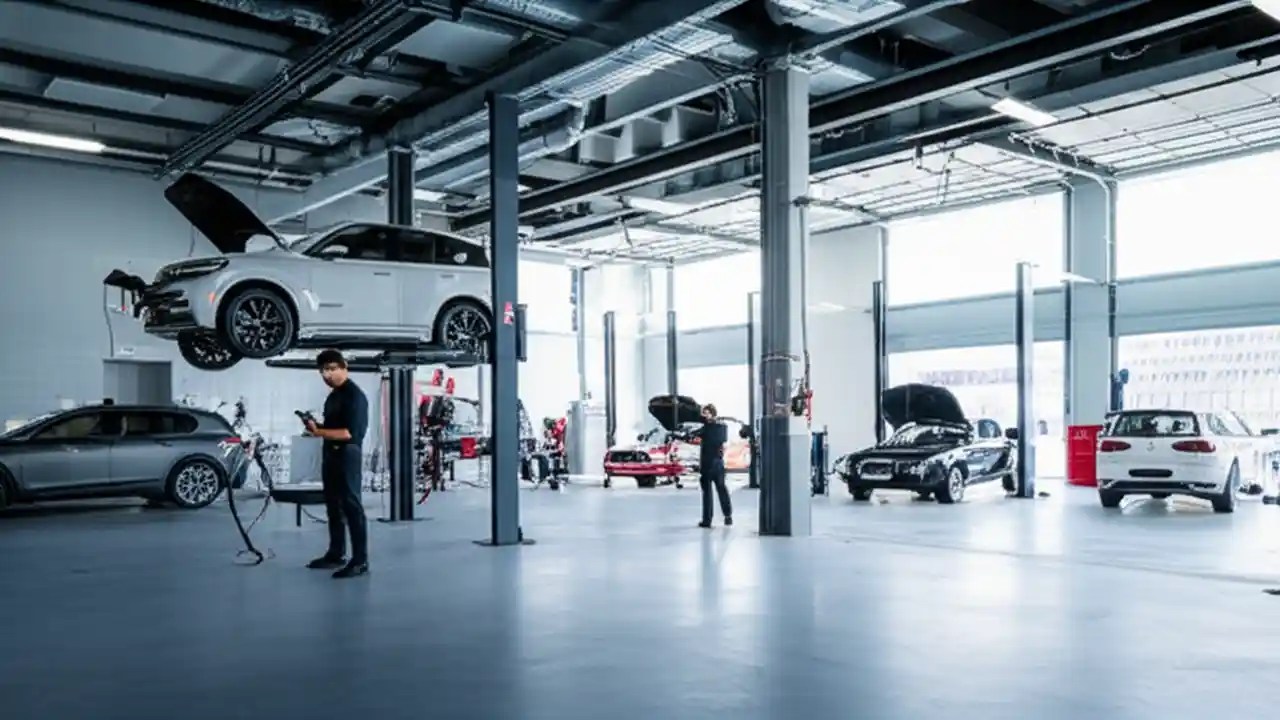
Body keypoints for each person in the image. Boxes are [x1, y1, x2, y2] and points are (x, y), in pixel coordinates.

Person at [303, 350, 370, 579]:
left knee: (352, 507)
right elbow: (333, 427)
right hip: (331, 455)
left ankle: (360, 561)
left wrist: (318, 431)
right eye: (323, 370)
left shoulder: (355, 396)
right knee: (333, 506)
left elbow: (349, 432)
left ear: (344, 367)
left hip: (348, 454)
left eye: (332, 369)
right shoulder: (334, 396)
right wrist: (316, 426)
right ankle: (336, 553)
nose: (327, 374)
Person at [691, 403, 732, 528]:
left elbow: (695, 435)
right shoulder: (721, 427)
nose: (703, 415)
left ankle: (707, 520)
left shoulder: (707, 429)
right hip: (718, 463)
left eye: (706, 413)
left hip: (709, 463)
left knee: (709, 492)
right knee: (721, 489)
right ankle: (727, 516)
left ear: (712, 414)